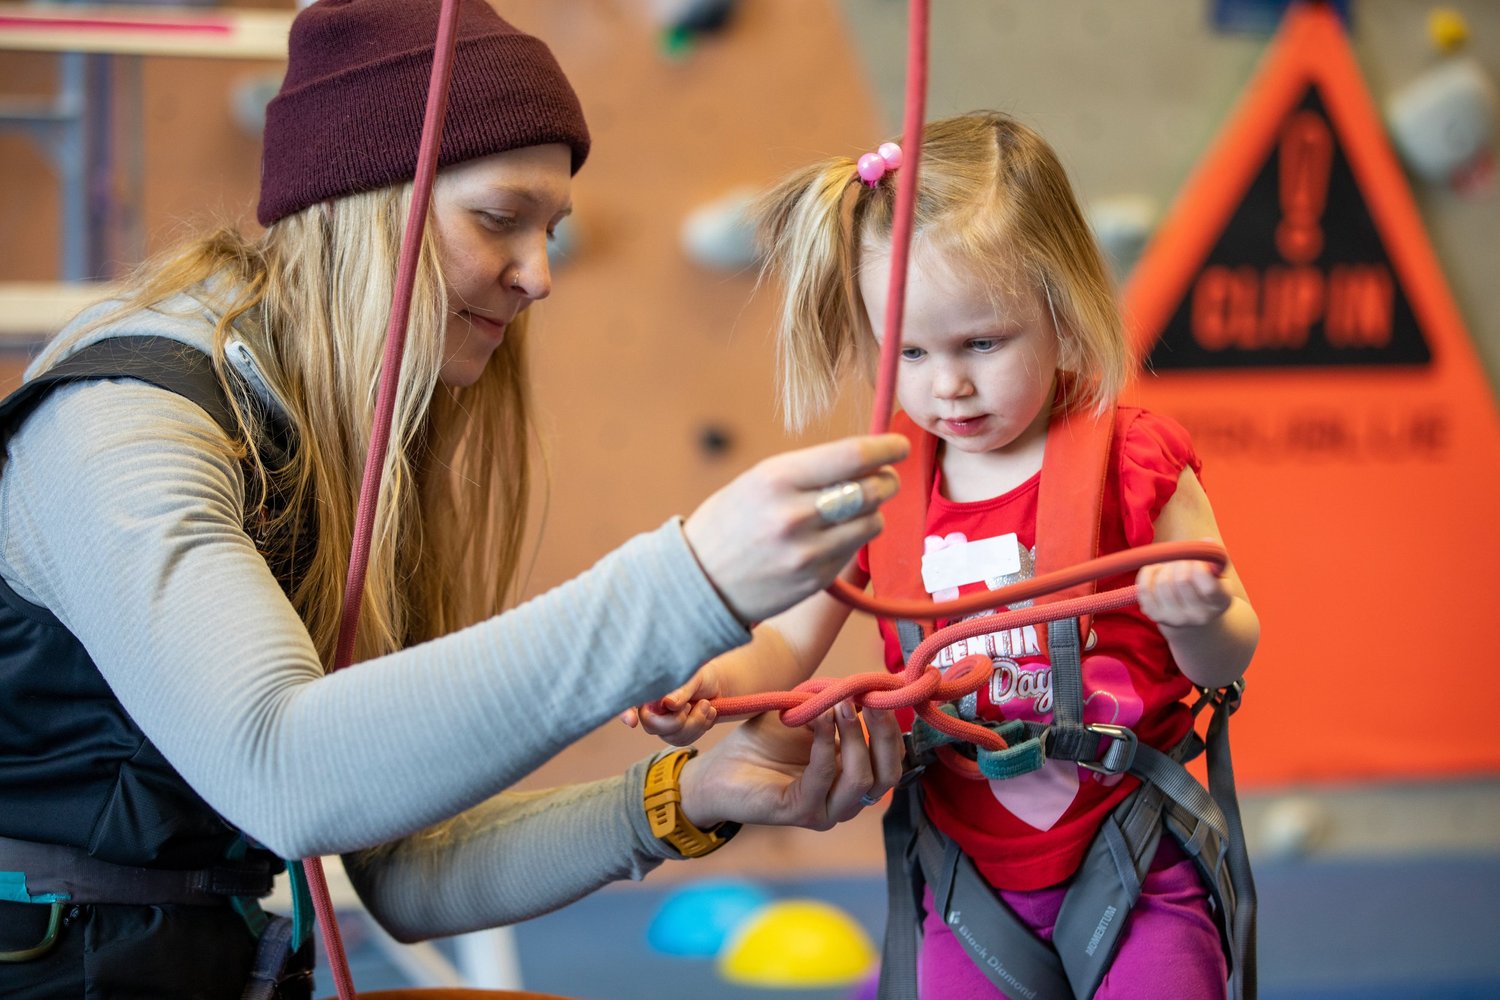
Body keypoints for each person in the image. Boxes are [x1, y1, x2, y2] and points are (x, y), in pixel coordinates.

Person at [0, 1, 912, 997]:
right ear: (363, 202)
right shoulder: (124, 424)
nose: (538, 276)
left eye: (550, 232)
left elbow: (410, 869)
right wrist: (683, 584)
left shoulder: (334, 446)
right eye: (498, 219)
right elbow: (285, 771)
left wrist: (681, 796)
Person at [625, 112, 1261, 999]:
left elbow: (1231, 653)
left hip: (1136, 860)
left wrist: (1201, 617)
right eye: (911, 353)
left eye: (982, 344)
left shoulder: (1137, 459)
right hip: (967, 878)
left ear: (1060, 304)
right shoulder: (879, 490)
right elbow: (784, 644)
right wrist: (710, 685)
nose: (947, 385)